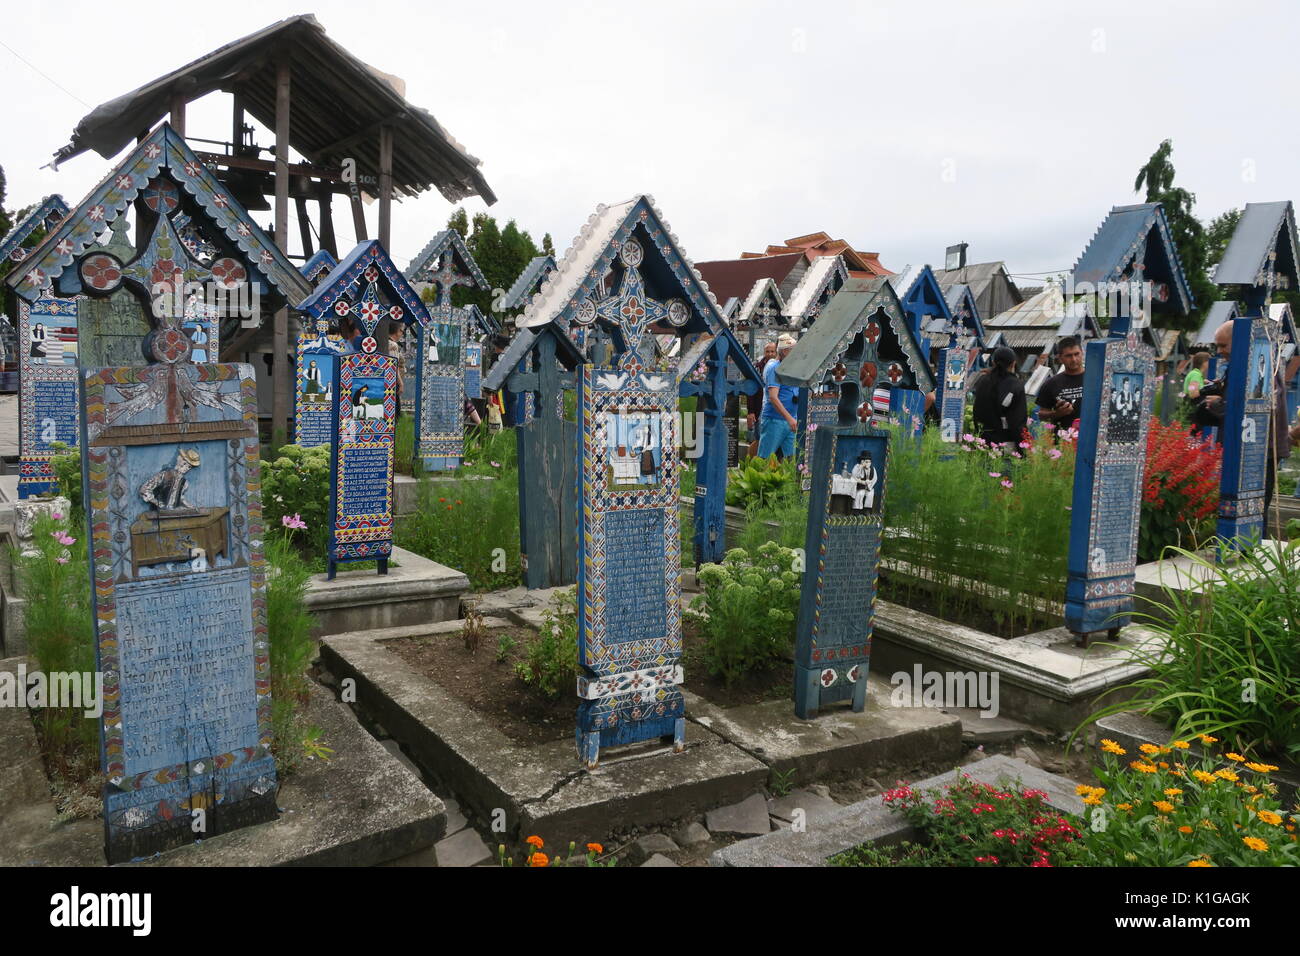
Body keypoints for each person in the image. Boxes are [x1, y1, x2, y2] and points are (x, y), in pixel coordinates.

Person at [1194, 320, 1292, 517]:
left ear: (1240, 341)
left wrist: (1218, 405)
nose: (1220, 351)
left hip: (1262, 450)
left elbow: (1260, 407)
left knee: (1253, 510)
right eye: (1217, 346)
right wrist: (1221, 388)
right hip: (1251, 446)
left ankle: (1250, 547)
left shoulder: (1260, 363)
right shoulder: (1244, 362)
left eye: (1223, 345)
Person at [971, 346, 1027, 445]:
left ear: (993, 362)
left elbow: (976, 411)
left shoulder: (983, 381)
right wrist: (1024, 448)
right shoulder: (1015, 385)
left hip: (983, 440)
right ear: (1013, 363)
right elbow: (1017, 422)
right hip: (1006, 442)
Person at [757, 334, 799, 460]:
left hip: (792, 420)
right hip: (775, 420)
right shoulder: (774, 368)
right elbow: (773, 398)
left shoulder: (793, 368)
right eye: (794, 350)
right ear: (785, 351)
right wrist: (789, 418)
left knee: (791, 459)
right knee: (765, 458)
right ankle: (758, 479)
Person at [1035, 336, 1085, 427]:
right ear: (1060, 358)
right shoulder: (1050, 384)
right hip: (1064, 439)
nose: (1074, 359)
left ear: (1082, 353)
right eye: (1068, 356)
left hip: (1093, 438)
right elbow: (1041, 415)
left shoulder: (1095, 379)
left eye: (1076, 354)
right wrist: (1057, 413)